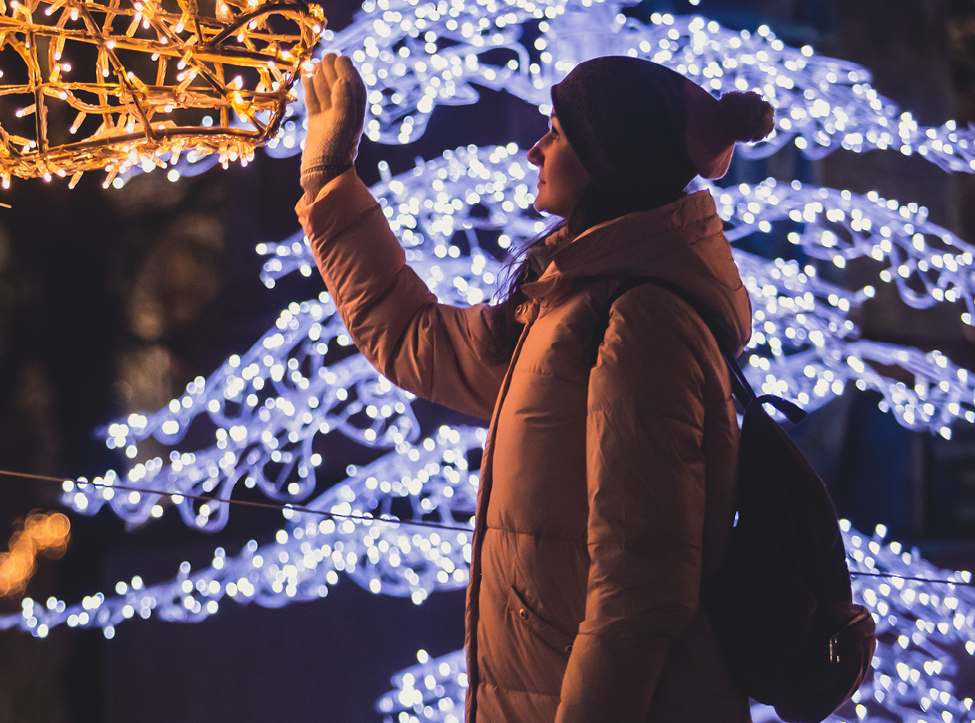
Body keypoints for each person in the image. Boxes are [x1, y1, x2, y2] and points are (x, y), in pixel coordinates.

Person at [297, 53, 776, 723]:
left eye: (555, 131)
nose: (533, 150)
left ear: (609, 157)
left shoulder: (641, 323)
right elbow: (415, 339)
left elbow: (640, 592)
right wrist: (329, 180)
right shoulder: (573, 309)